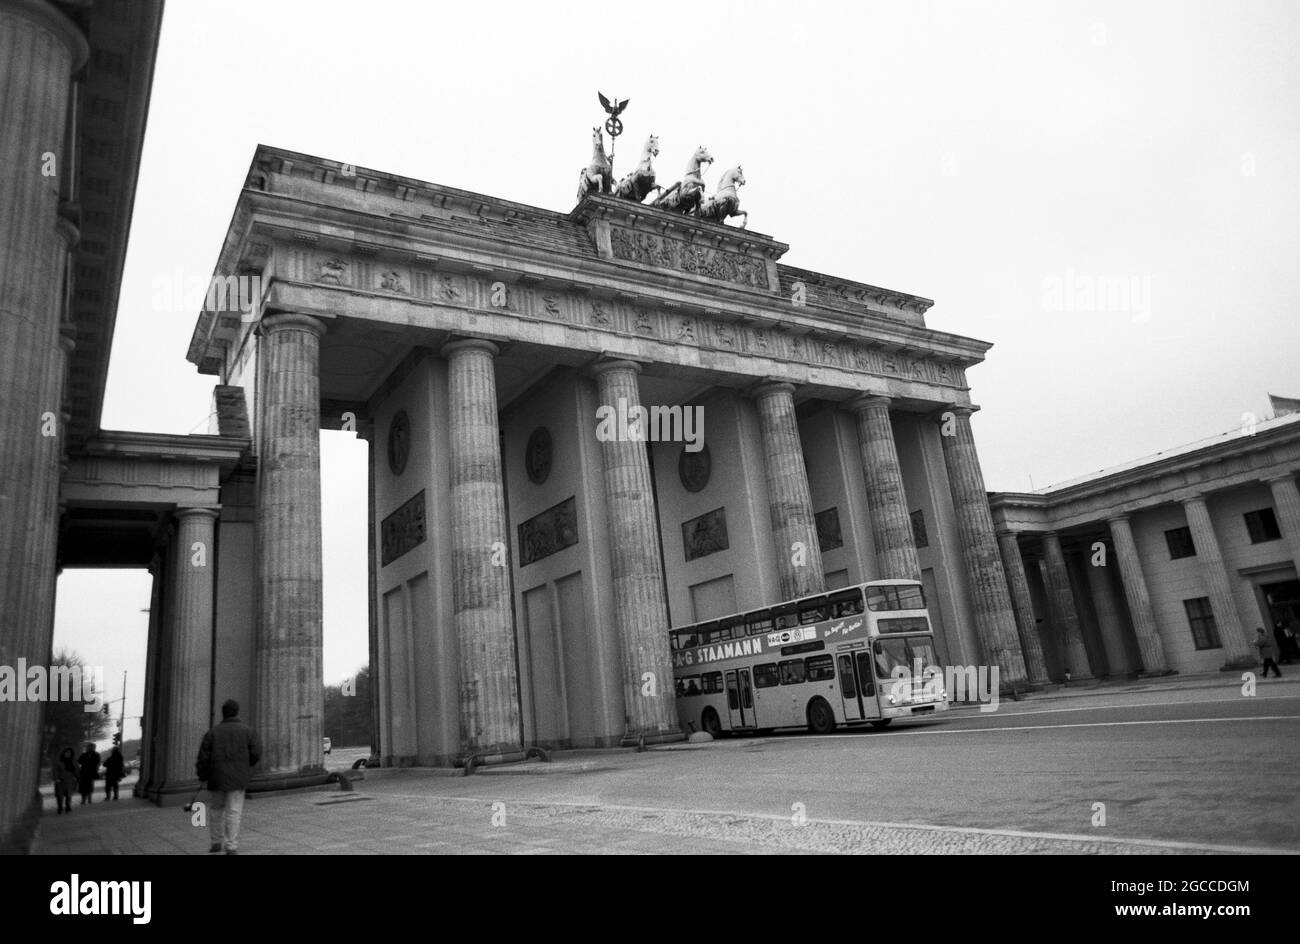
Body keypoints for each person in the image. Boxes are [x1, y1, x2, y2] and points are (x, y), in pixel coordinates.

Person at [196, 698, 261, 855]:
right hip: (238, 778)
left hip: (216, 778)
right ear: (236, 712)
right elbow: (256, 753)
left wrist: (203, 775)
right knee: (234, 812)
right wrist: (247, 766)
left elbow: (203, 758)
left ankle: (215, 842)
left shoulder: (212, 733)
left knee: (216, 810)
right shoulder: (248, 731)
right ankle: (231, 845)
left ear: (223, 713)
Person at [51, 747, 77, 814]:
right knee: (59, 795)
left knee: (69, 794)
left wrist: (76, 777)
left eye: (70, 753)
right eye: (67, 752)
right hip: (61, 780)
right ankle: (60, 808)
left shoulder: (73, 761)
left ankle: (68, 807)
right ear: (64, 753)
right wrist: (56, 779)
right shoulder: (59, 761)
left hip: (70, 780)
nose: (68, 754)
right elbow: (55, 770)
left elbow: (76, 770)